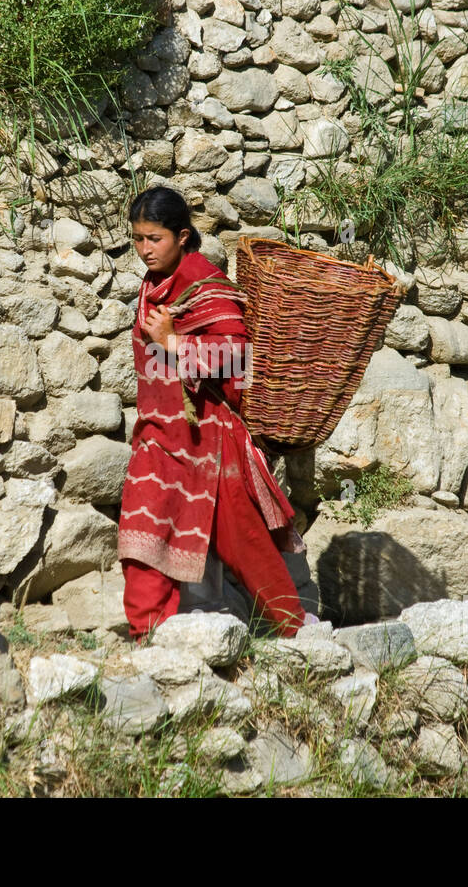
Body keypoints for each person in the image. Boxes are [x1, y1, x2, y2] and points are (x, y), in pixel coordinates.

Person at [117, 185, 316, 643]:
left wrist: (174, 343)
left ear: (183, 236)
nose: (145, 249)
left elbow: (236, 354)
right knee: (143, 530)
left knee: (241, 538)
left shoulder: (205, 284)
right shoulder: (153, 287)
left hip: (208, 439)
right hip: (160, 435)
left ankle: (296, 630)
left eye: (155, 238)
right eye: (138, 239)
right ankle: (149, 635)